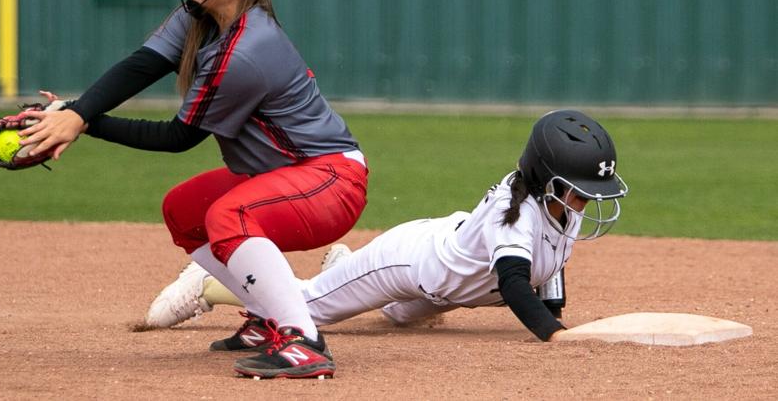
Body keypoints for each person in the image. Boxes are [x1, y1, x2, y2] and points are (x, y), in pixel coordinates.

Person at [17, 0, 368, 380]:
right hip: (282, 176)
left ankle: (304, 341)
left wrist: (84, 124)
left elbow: (178, 138)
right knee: (185, 209)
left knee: (229, 217)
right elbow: (143, 65)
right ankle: (269, 322)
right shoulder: (202, 16)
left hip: (329, 182)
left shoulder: (245, 49)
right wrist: (78, 112)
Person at [146, 109, 629, 353]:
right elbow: (515, 282)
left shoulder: (559, 198)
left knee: (400, 318)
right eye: (580, 186)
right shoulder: (516, 214)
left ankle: (345, 266)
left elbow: (554, 265)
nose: (587, 197)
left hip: (447, 285)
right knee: (309, 307)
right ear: (547, 176)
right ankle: (207, 283)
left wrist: (556, 311)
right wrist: (554, 334)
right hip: (409, 263)